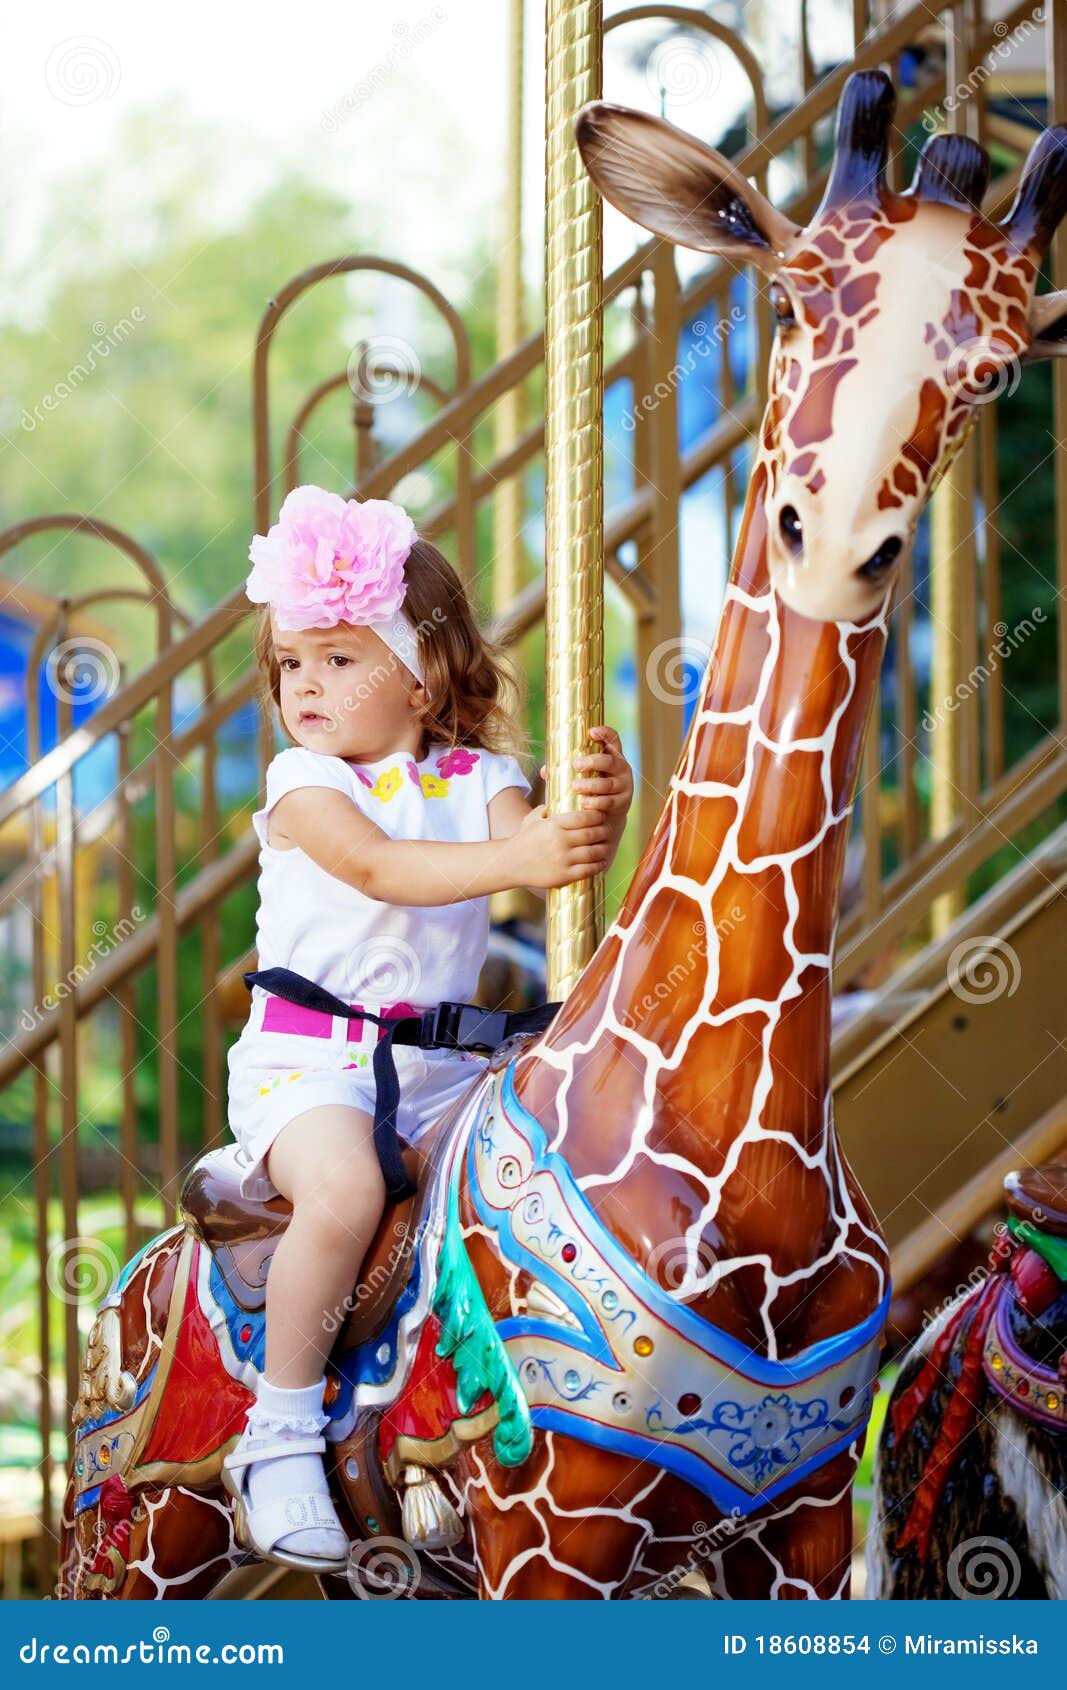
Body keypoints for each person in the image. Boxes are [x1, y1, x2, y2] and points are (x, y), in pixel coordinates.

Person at [221, 484, 634, 1572]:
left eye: (337, 658)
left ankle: (509, 1411)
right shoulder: (303, 783)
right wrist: (518, 856)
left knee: (553, 1176)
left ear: (423, 671)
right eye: (290, 664)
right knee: (345, 1189)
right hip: (309, 1068)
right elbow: (376, 866)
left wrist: (597, 812)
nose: (305, 685)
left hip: (445, 1070)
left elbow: (542, 858)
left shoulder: (479, 780)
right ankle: (279, 1430)